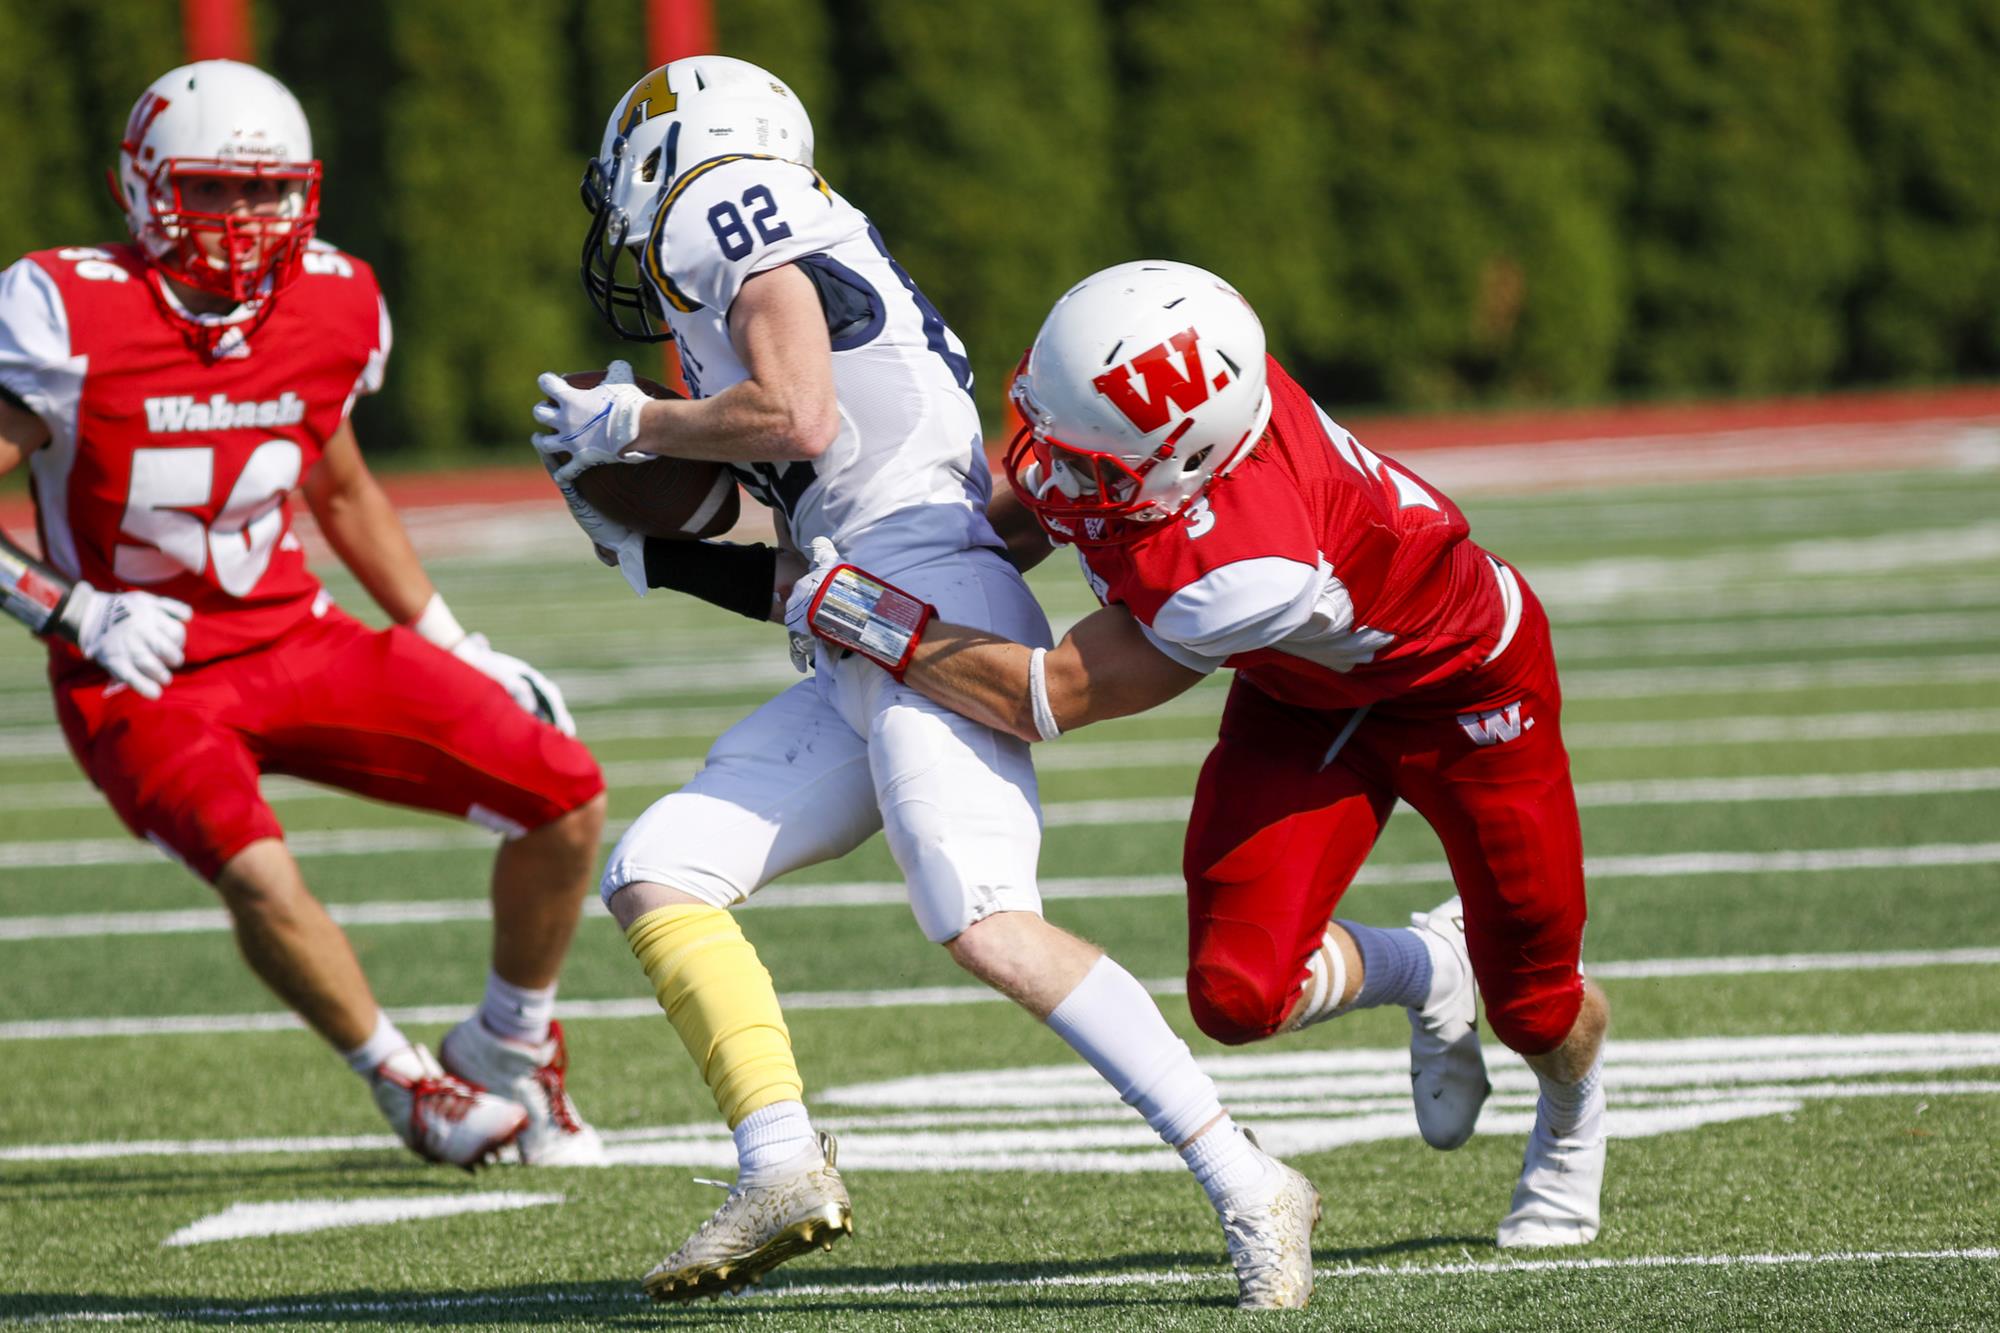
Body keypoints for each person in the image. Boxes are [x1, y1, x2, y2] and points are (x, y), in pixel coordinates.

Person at [535, 57, 1320, 1308]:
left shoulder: (721, 200)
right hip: (878, 602)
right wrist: (637, 515)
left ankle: (1245, 1176)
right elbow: (799, 511)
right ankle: (781, 1163)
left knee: (984, 917)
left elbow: (791, 417)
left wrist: (636, 425)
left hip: (923, 599)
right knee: (659, 869)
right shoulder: (774, 236)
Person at [787, 259, 1611, 1249]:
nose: (1048, 467)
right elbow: (1039, 508)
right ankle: (1427, 967)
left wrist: (865, 611)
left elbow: (1039, 696)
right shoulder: (1174, 424)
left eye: (1087, 462)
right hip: (1304, 691)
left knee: (1531, 1001)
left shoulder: (1243, 562)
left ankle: (1571, 1123)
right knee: (1236, 994)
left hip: (1466, 695)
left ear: (1189, 462)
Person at [0, 60, 609, 1169]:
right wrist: (73, 612)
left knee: (562, 792)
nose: (242, 219)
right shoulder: (70, 310)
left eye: (266, 190)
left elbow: (338, 487)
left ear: (306, 193)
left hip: (292, 634)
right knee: (256, 867)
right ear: (139, 188)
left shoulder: (332, 299)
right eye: (211, 191)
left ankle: (507, 1045)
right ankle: (401, 1083)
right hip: (143, 670)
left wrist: (451, 641)